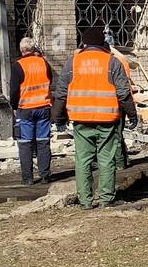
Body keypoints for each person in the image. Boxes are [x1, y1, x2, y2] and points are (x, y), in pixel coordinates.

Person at [51, 25, 137, 208]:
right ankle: (106, 199)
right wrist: (132, 114)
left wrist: (58, 117)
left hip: (81, 121)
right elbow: (124, 93)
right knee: (106, 160)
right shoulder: (112, 62)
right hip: (107, 121)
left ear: (84, 43)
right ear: (102, 42)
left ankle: (85, 201)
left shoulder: (72, 63)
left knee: (83, 161)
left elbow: (61, 93)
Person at [10, 36, 54, 185]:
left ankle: (28, 178)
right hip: (43, 108)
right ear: (33, 48)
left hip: (25, 109)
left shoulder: (18, 65)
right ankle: (45, 175)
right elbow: (50, 81)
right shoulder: (44, 62)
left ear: (21, 49)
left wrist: (14, 106)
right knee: (43, 142)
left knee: (25, 144)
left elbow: (14, 90)